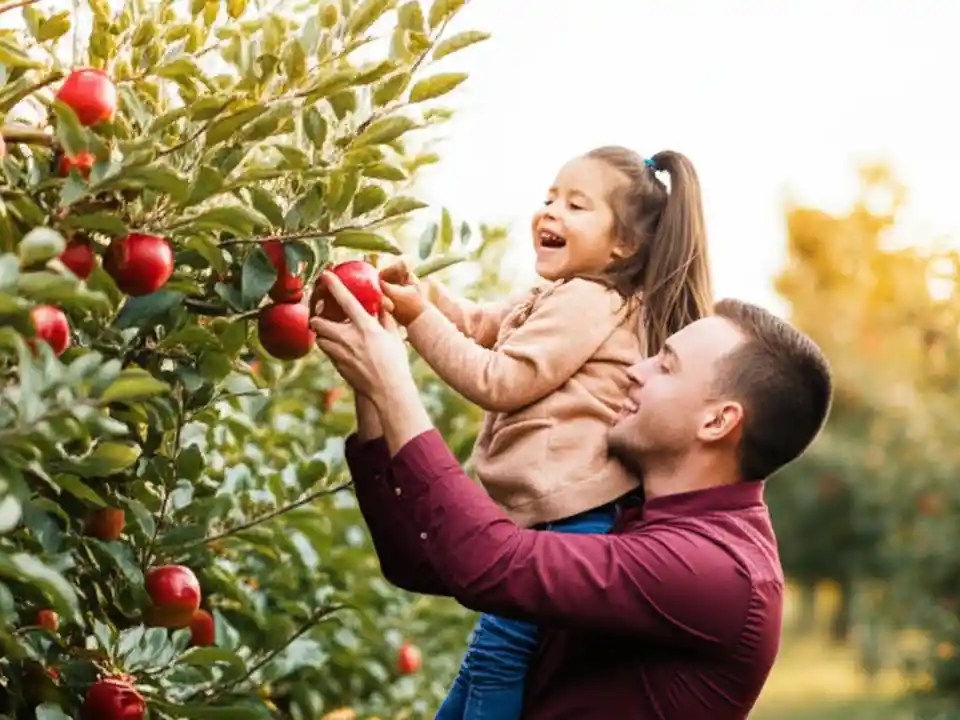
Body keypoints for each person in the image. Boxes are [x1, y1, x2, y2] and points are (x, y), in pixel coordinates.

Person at [308, 271, 833, 719]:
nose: (635, 370)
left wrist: (395, 384)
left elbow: (487, 563)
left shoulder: (717, 572)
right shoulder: (622, 510)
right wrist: (372, 392)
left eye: (665, 365)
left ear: (718, 421)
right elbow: (422, 561)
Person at [375, 147, 714, 719]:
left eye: (576, 205)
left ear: (623, 246)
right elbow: (487, 326)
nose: (550, 212)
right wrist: (429, 296)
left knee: (496, 658)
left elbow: (499, 378)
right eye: (549, 197)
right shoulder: (562, 295)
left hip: (569, 517)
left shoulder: (589, 300)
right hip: (558, 515)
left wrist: (415, 320)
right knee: (490, 659)